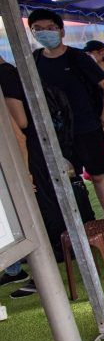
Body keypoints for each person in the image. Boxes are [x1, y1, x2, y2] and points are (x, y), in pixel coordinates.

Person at [28, 9, 104, 219]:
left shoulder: (78, 58)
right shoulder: (34, 60)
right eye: (38, 29)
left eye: (50, 28)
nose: (44, 33)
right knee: (68, 179)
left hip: (87, 127)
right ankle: (81, 219)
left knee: (97, 174)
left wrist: (103, 118)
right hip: (57, 133)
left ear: (61, 31)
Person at [0, 57, 37, 298]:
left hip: (13, 171)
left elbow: (19, 134)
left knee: (27, 222)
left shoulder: (6, 74)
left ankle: (38, 275)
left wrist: (25, 174)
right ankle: (14, 270)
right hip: (12, 171)